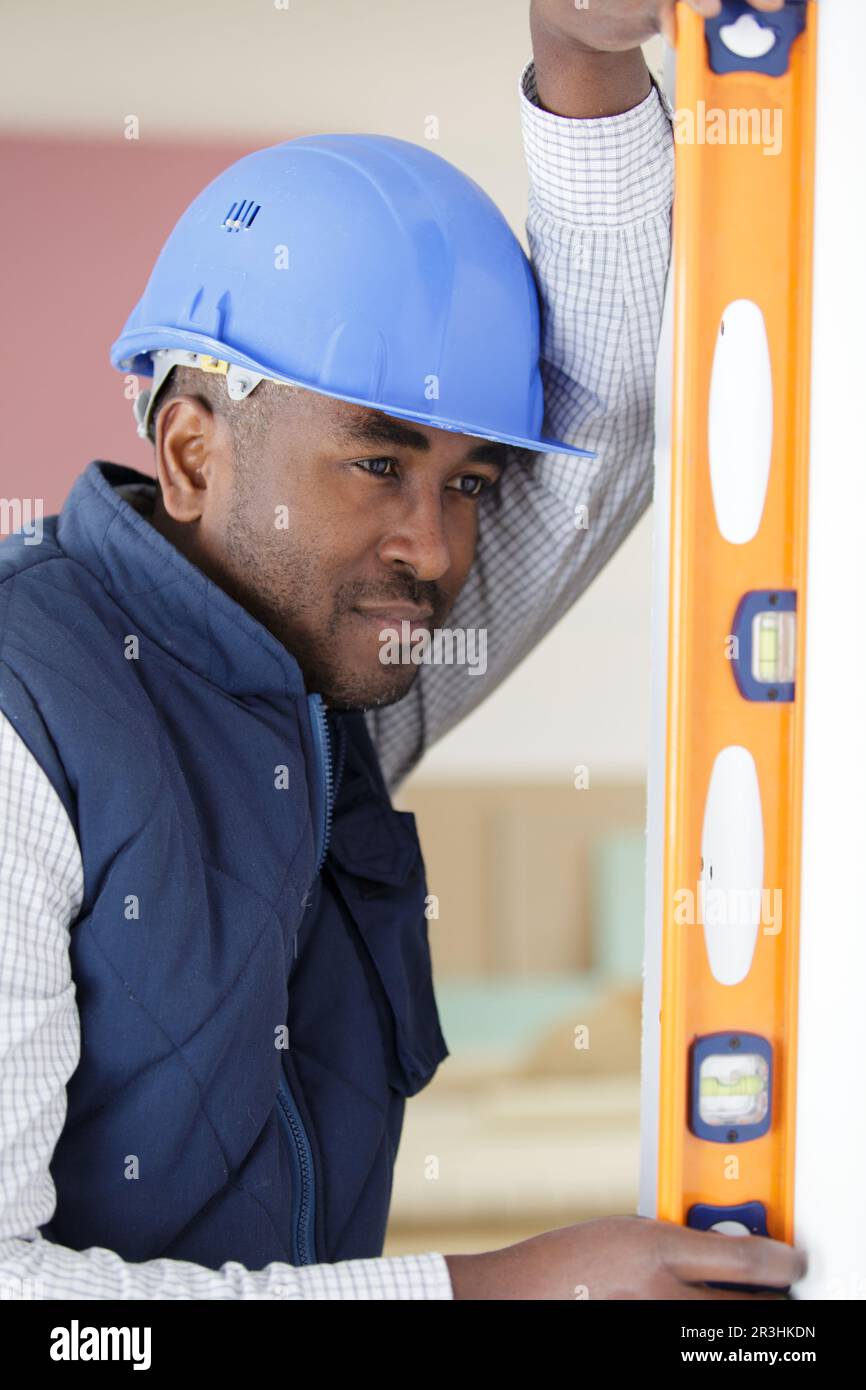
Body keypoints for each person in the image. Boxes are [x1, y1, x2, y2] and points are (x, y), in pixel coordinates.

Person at [0, 0, 805, 1299]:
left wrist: (583, 56)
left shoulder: (324, 692)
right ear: (197, 449)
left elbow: (606, 427)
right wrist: (494, 1289)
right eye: (376, 462)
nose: (435, 552)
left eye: (470, 483)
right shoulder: (25, 720)